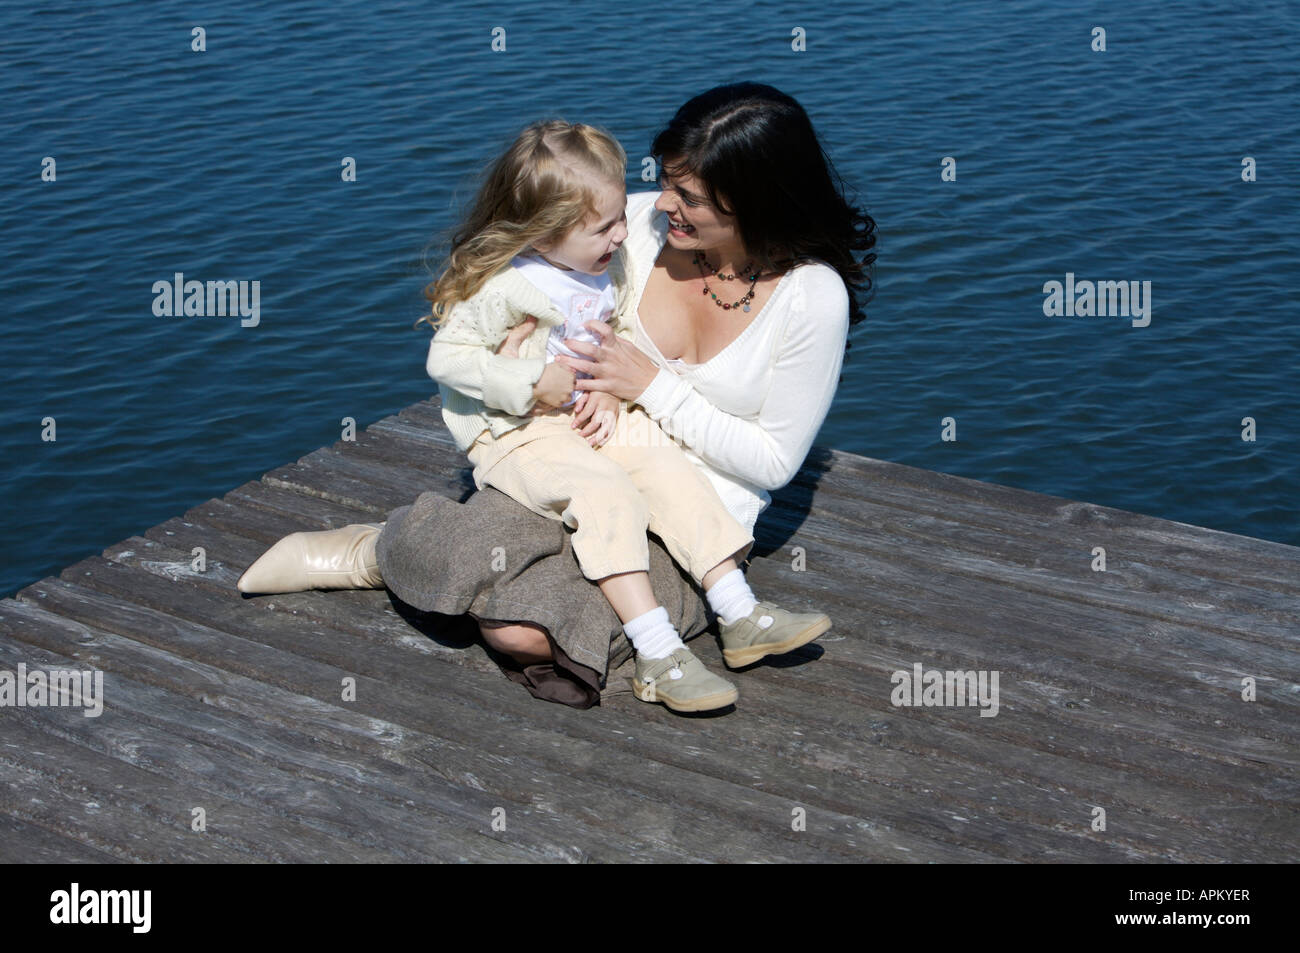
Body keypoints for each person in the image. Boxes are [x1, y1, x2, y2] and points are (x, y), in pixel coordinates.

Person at [237, 82, 877, 711]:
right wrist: (518, 368)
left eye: (690, 196)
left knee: (524, 632)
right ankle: (381, 549)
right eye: (668, 181)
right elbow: (503, 286)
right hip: (572, 449)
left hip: (698, 508)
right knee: (516, 549)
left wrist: (646, 385)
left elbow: (770, 464)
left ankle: (708, 622)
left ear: (755, 202)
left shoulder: (811, 297)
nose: (661, 205)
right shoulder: (629, 224)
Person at [417, 118, 830, 712]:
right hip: (522, 433)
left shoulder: (600, 261)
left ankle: (740, 612)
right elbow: (447, 357)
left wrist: (614, 389)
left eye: (620, 219)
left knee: (666, 469)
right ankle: (658, 653)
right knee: (603, 494)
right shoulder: (506, 286)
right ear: (541, 232)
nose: (630, 228)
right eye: (606, 226)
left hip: (595, 419)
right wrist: (531, 379)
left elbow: (618, 333)